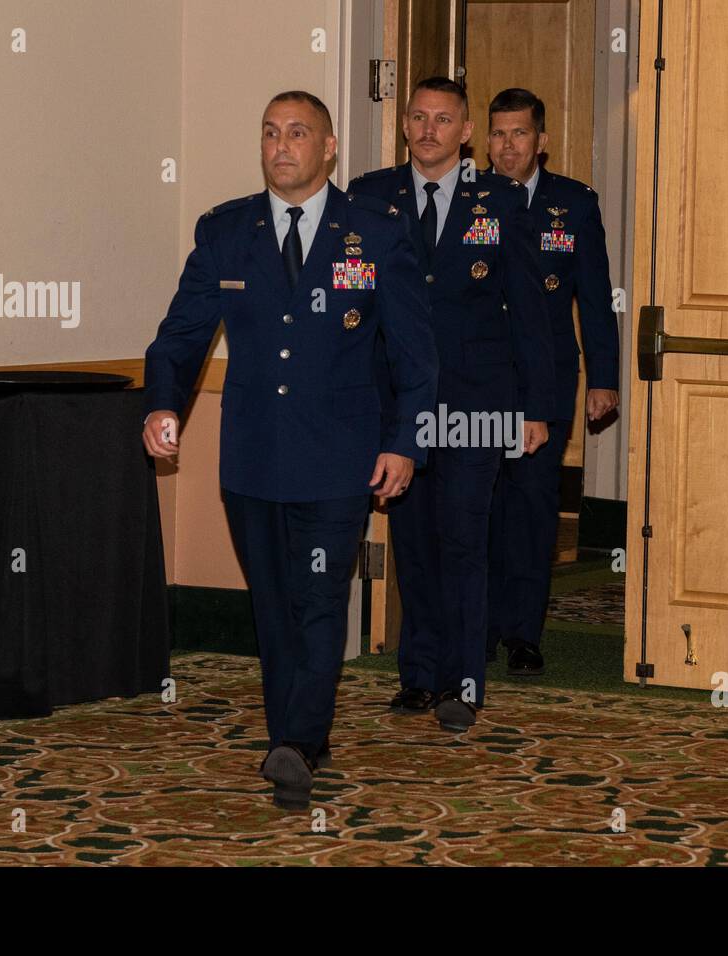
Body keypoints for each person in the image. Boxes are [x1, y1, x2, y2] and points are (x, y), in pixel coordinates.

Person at [141, 91, 438, 810]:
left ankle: (296, 740)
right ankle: (301, 733)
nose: (281, 146)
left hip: (340, 458)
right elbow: (180, 339)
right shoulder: (226, 232)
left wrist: (404, 443)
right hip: (252, 458)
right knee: (273, 606)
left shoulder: (374, 234)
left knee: (318, 597)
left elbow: (415, 353)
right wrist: (161, 402)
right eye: (271, 133)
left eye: (298, 133)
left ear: (330, 148)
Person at [349, 77, 553, 732]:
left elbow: (530, 312)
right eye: (418, 117)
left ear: (467, 132)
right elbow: (352, 305)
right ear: (404, 124)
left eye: (443, 119)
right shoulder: (370, 196)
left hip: (478, 401)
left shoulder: (499, 199)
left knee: (463, 537)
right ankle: (419, 676)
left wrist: (537, 407)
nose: (428, 129)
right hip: (395, 405)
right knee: (412, 541)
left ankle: (462, 682)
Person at [484, 88, 621, 675]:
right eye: (497, 133)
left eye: (519, 134)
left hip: (546, 380)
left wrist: (604, 378)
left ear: (541, 141)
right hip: (478, 382)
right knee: (479, 504)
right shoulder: (468, 201)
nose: (507, 145)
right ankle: (477, 624)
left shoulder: (574, 205)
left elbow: (594, 300)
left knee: (534, 507)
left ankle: (523, 633)